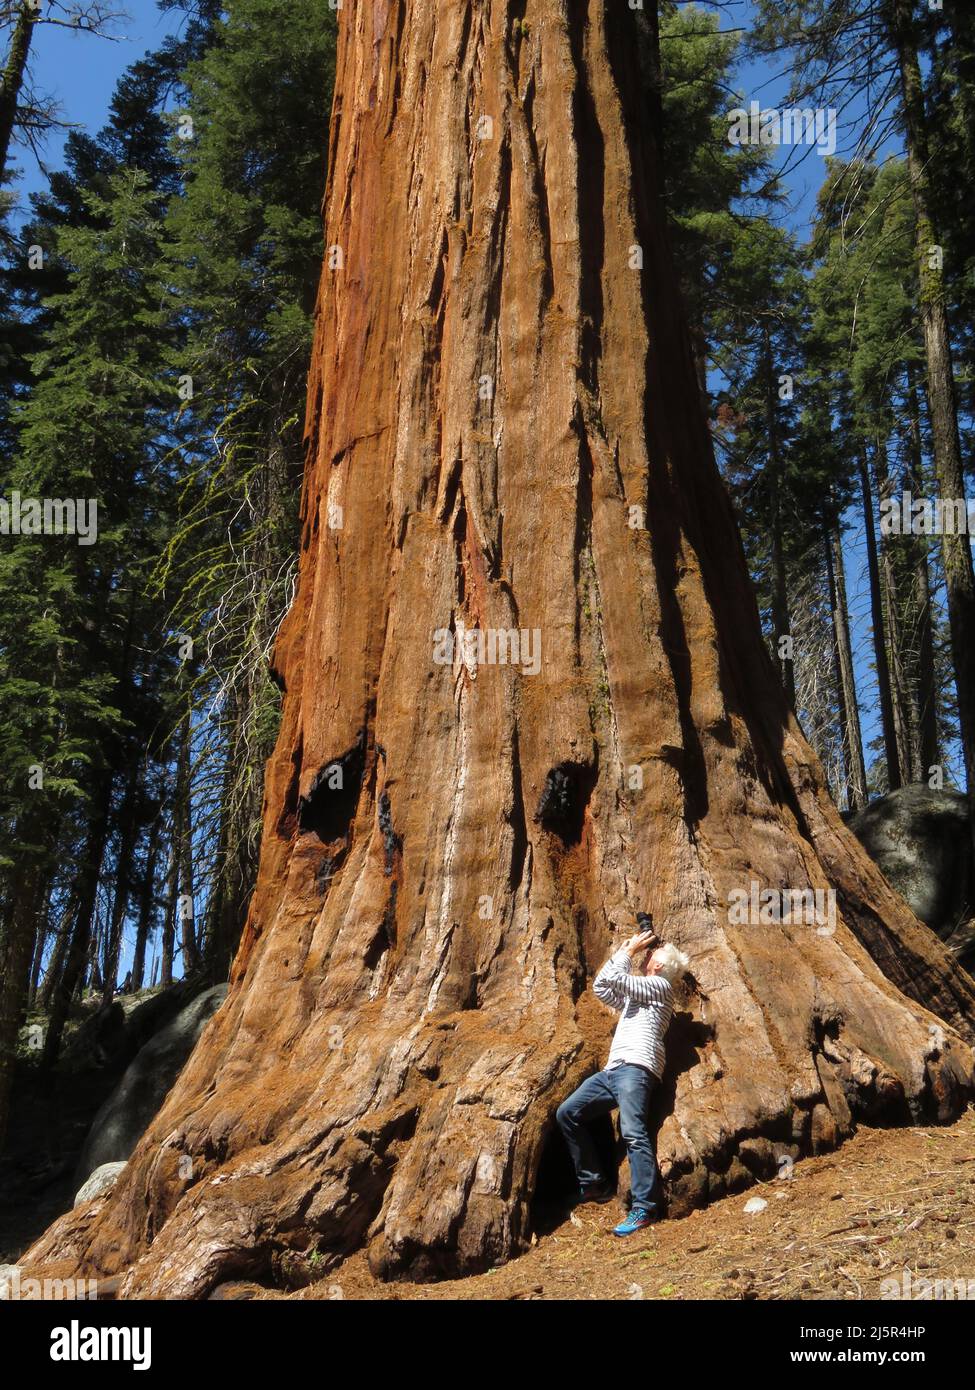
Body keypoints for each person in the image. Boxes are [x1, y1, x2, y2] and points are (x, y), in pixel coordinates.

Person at [556, 919, 689, 1237]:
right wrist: (627, 952)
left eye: (651, 955)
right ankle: (593, 1183)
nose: (646, 956)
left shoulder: (660, 988)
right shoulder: (637, 996)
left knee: (633, 1132)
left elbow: (613, 975)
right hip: (612, 1071)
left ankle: (644, 1207)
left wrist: (628, 949)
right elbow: (602, 986)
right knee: (567, 1114)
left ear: (658, 964)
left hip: (636, 1069)